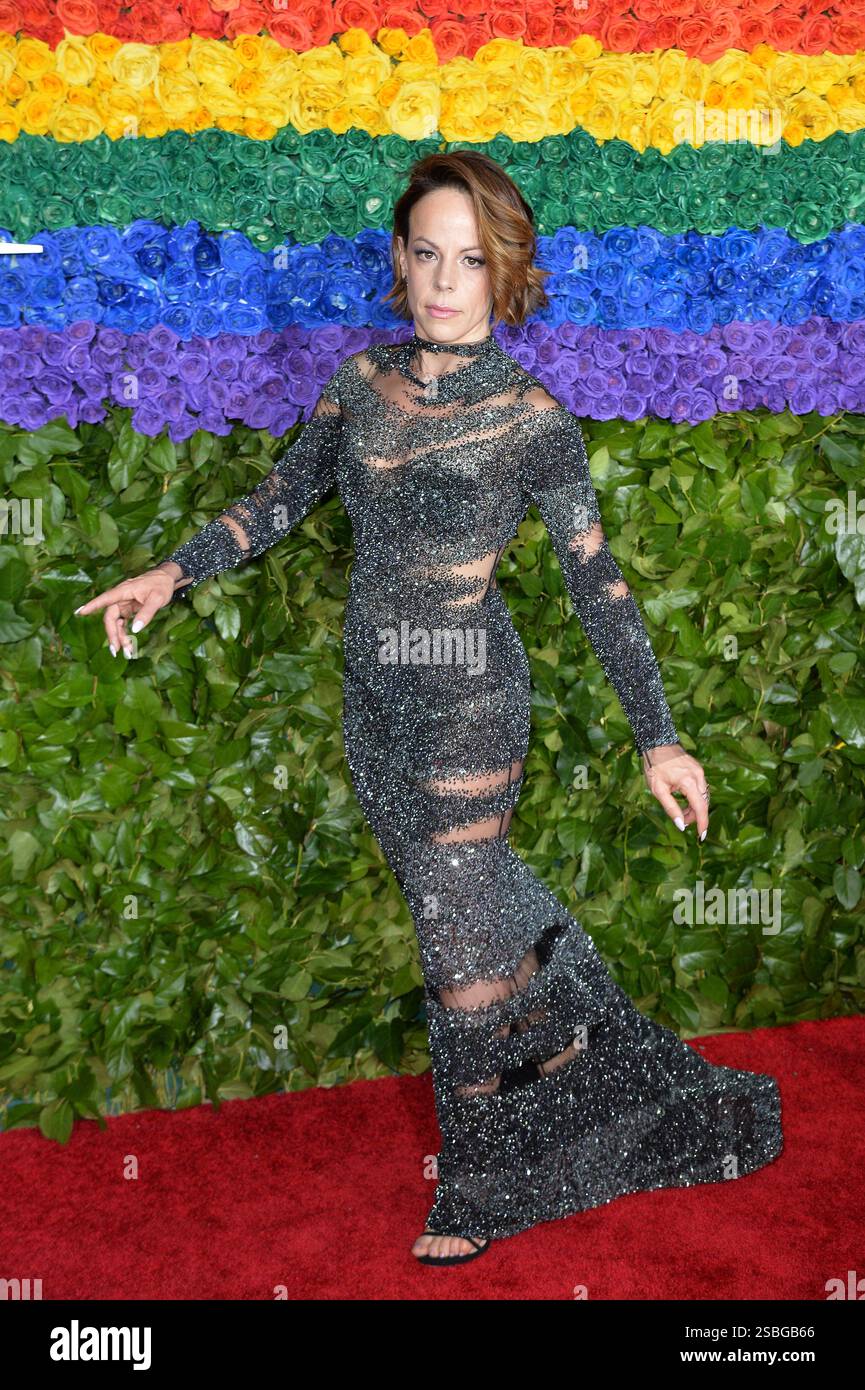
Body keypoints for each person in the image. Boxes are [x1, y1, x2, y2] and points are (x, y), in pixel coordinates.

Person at [75, 151, 783, 1267]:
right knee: (476, 935)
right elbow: (279, 498)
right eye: (427, 254)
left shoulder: (532, 419)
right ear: (400, 262)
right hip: (377, 709)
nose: (446, 282)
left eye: (472, 260)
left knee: (455, 950)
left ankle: (486, 1184)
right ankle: (593, 1105)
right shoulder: (356, 386)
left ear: (505, 275)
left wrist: (660, 734)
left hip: (469, 706)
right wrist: (170, 571)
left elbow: (595, 579)